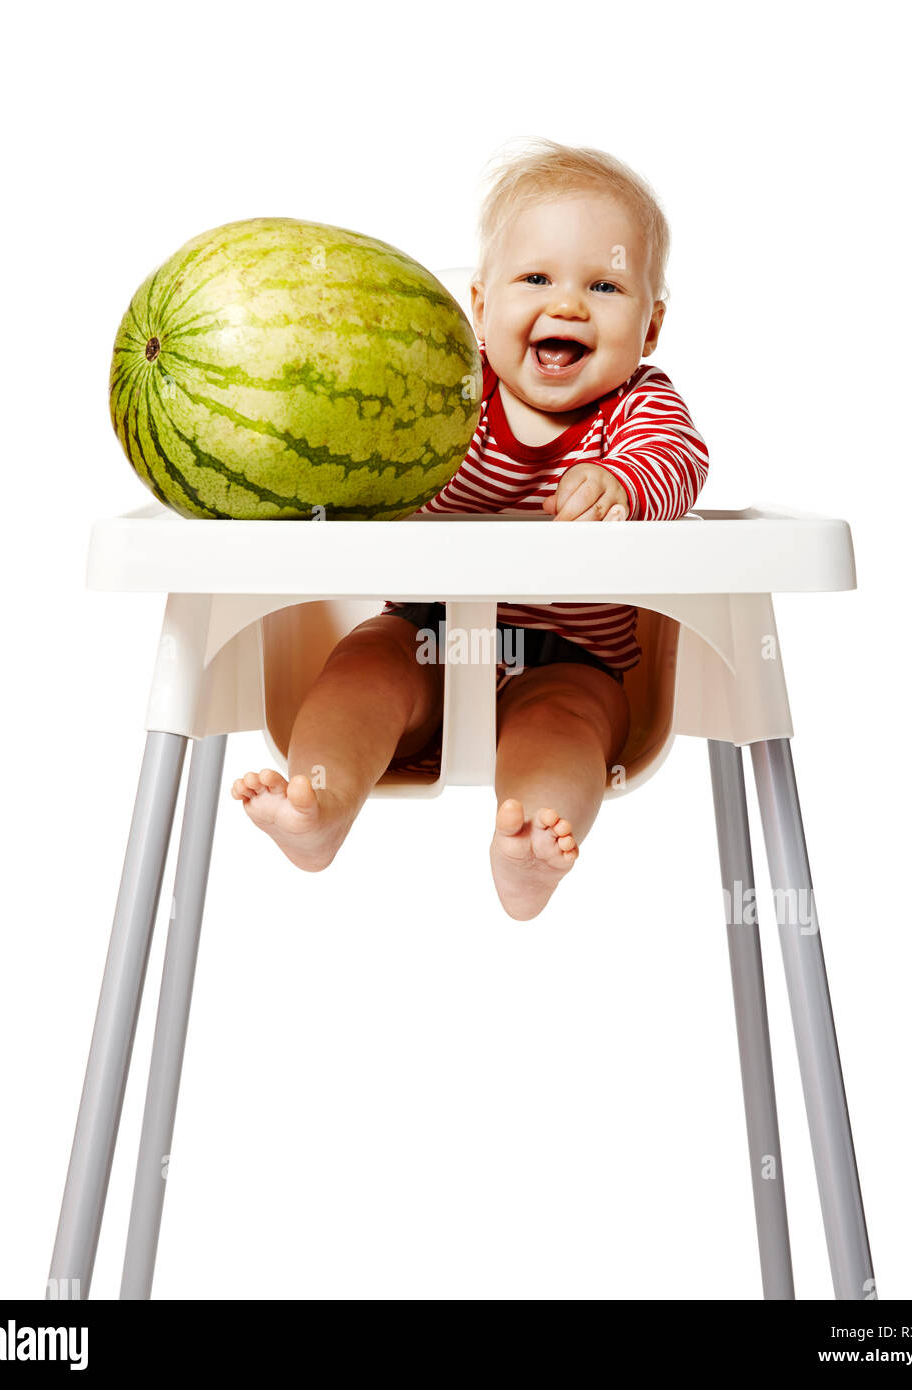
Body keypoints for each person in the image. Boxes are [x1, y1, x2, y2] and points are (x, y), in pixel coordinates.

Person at [231, 139, 709, 920]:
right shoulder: (451, 393)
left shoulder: (636, 410)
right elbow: (365, 441)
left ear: (650, 327)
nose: (568, 304)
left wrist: (624, 481)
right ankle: (317, 804)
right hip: (426, 634)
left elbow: (680, 460)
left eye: (605, 284)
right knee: (362, 668)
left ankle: (527, 849)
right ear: (481, 308)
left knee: (564, 728)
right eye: (536, 279)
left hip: (575, 659)